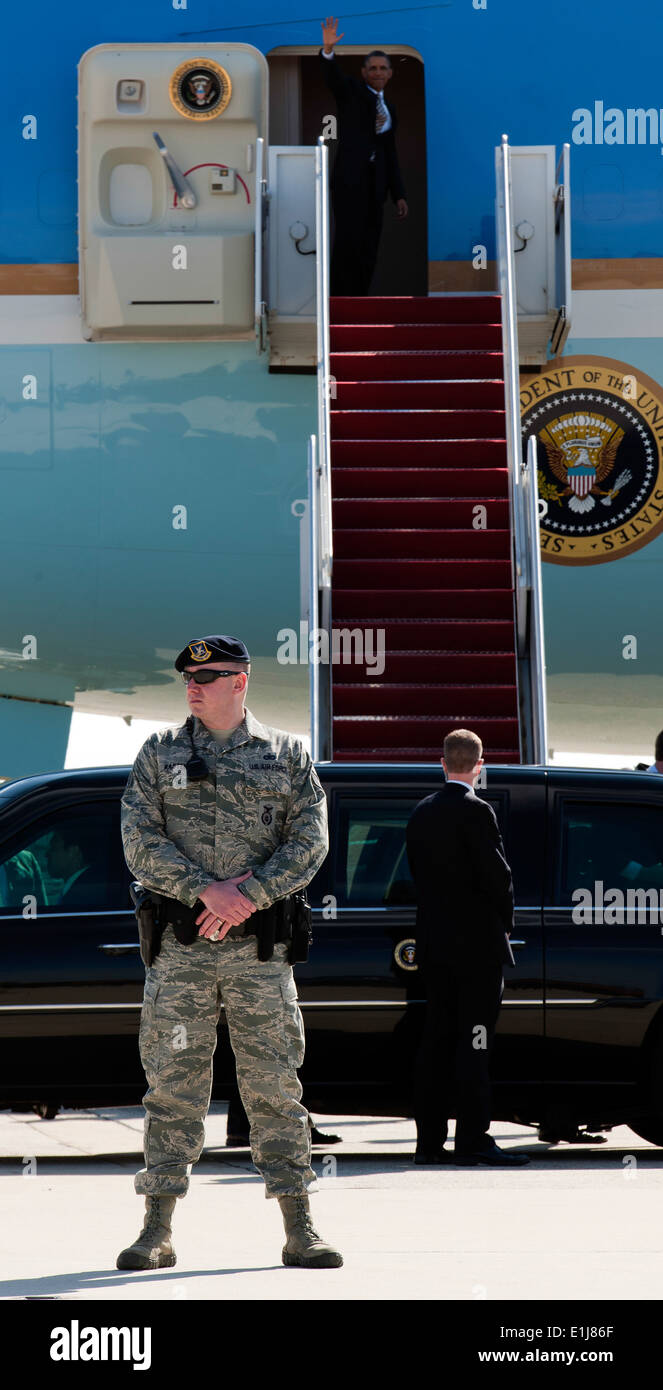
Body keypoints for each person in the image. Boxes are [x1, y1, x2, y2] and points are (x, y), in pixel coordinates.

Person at [117, 634, 342, 1270]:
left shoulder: (287, 754)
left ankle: (300, 1226)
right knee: (172, 1086)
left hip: (258, 951)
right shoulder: (159, 753)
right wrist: (205, 893)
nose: (195, 684)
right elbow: (138, 840)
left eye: (210, 675)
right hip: (182, 952)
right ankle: (156, 1230)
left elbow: (311, 839)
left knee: (275, 1084)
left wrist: (247, 897)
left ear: (240, 682)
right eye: (188, 675)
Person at [406, 728, 530, 1167]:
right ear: (480, 766)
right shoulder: (478, 813)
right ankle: (473, 1139)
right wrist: (504, 928)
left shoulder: (421, 812)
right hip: (476, 952)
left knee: (436, 1042)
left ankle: (429, 1143)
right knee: (475, 1043)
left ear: (442, 763)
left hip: (435, 948)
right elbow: (499, 880)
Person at [320, 16, 408, 295]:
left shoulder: (390, 108)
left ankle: (361, 299)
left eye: (383, 68)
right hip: (349, 183)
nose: (378, 72)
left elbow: (390, 152)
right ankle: (339, 299)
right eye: (373, 68)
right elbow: (334, 79)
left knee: (370, 245)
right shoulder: (353, 93)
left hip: (376, 188)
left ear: (391, 73)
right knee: (348, 242)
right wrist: (328, 51)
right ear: (364, 72)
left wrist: (399, 194)